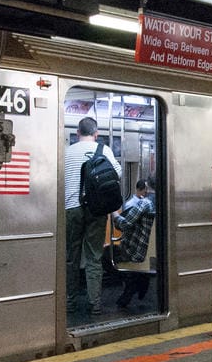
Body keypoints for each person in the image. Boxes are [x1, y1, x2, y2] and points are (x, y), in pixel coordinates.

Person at [64, 117, 121, 316]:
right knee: (94, 258)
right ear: (96, 134)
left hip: (72, 208)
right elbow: (117, 175)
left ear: (78, 133)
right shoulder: (104, 151)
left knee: (71, 258)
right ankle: (94, 303)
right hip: (97, 211)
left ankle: (69, 303)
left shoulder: (67, 152)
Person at [111, 178, 156, 310]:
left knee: (106, 257)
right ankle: (140, 278)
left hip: (136, 251)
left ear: (147, 187)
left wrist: (114, 214)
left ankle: (133, 282)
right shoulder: (163, 202)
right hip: (151, 251)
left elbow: (125, 224)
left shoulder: (144, 203)